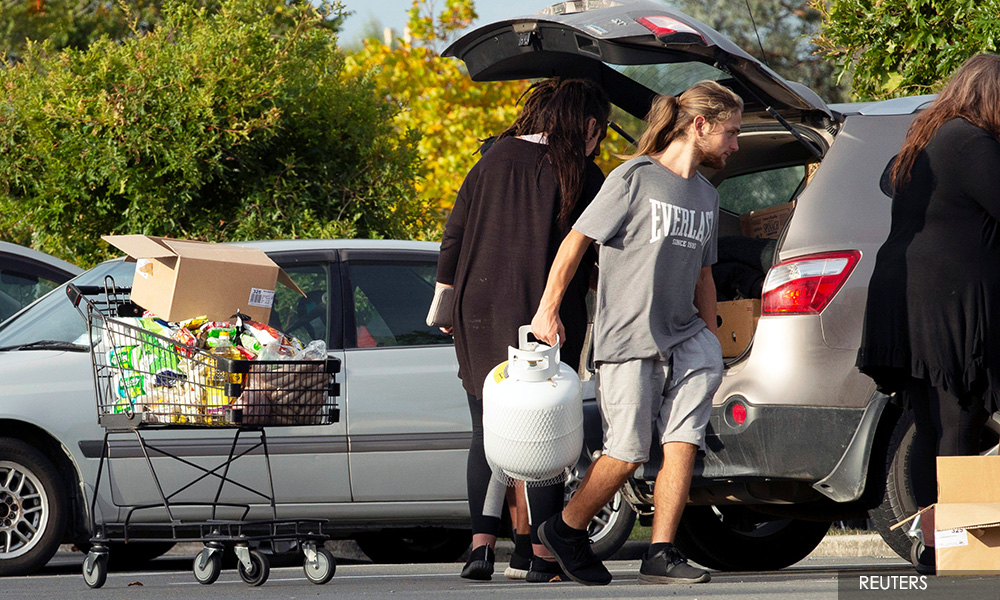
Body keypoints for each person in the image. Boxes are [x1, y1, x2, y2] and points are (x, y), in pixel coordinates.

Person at [530, 80, 743, 586]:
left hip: (687, 337)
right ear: (700, 125)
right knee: (626, 454)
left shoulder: (707, 196)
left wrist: (711, 336)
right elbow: (577, 241)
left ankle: (661, 551)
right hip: (628, 339)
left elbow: (704, 275)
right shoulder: (634, 177)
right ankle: (565, 528)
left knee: (684, 441)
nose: (735, 145)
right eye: (731, 133)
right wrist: (548, 309)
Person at [435, 77, 611, 582]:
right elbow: (598, 249)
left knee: (485, 430)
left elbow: (453, 238)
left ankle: (479, 549)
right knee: (544, 434)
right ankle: (541, 557)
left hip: (477, 309)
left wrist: (446, 308)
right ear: (590, 125)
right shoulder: (580, 171)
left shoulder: (489, 160)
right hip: (542, 313)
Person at [856, 53, 1000, 575]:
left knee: (934, 421)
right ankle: (955, 549)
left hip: (904, 297)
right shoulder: (972, 142)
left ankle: (937, 544)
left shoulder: (928, 137)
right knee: (958, 420)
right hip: (945, 301)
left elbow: (884, 184)